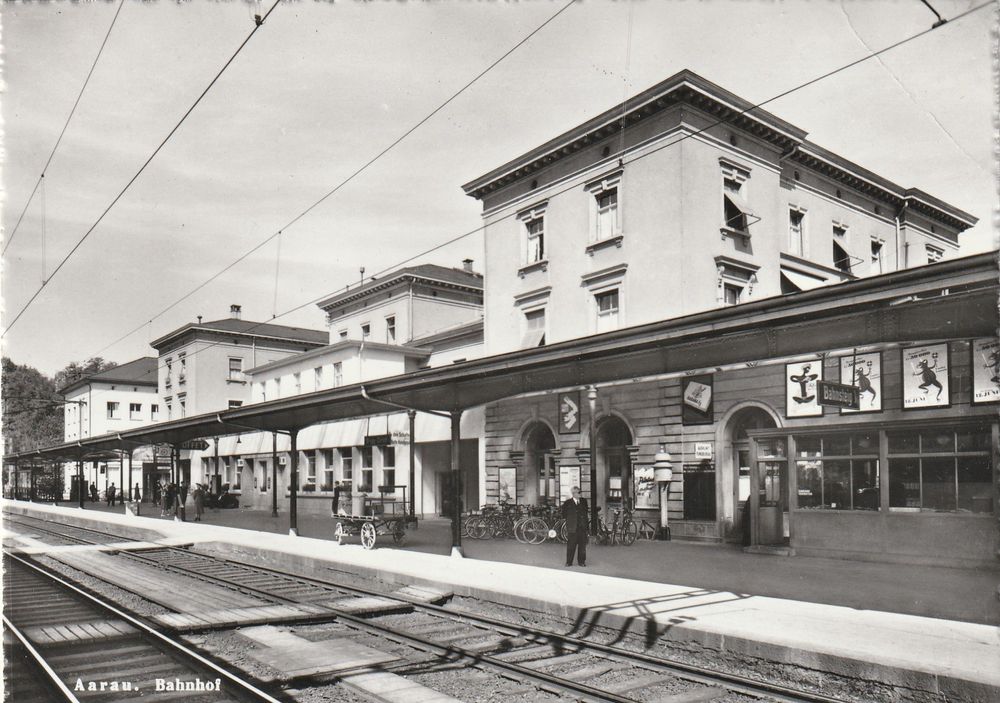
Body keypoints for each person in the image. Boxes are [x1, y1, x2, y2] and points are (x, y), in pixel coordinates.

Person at [562, 486, 589, 567]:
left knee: (582, 546)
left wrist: (586, 526)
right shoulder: (567, 503)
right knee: (571, 546)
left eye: (580, 492)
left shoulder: (584, 501)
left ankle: (581, 562)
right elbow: (564, 514)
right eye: (579, 492)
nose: (581, 494)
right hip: (572, 528)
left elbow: (586, 513)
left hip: (582, 528)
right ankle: (569, 562)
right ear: (574, 494)